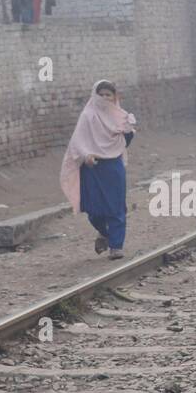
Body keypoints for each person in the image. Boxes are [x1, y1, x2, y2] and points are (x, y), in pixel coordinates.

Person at [60, 80, 137, 260]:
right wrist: (87, 155)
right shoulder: (88, 115)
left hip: (113, 166)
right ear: (95, 96)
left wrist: (128, 130)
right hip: (92, 167)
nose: (104, 98)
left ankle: (116, 247)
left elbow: (126, 140)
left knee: (116, 207)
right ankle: (104, 233)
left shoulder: (120, 116)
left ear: (114, 97)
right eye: (100, 94)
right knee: (94, 211)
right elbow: (78, 141)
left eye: (108, 95)